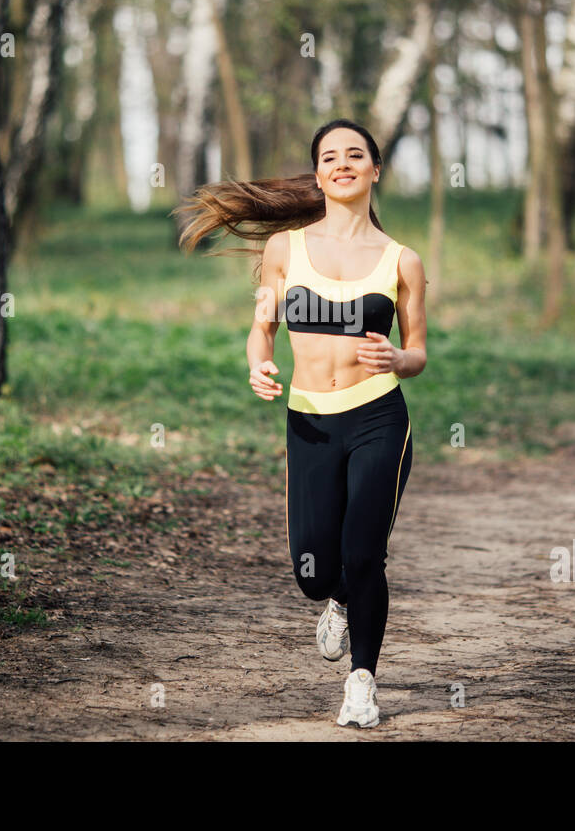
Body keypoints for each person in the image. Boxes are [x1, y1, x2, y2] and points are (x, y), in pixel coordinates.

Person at [176, 118, 427, 728]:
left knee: (365, 553)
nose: (343, 163)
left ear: (374, 170)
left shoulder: (402, 261)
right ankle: (335, 600)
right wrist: (260, 366)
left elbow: (419, 349)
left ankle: (362, 682)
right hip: (311, 423)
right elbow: (262, 329)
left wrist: (398, 358)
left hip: (378, 418)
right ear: (318, 175)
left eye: (355, 154)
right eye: (330, 157)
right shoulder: (285, 250)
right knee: (313, 572)